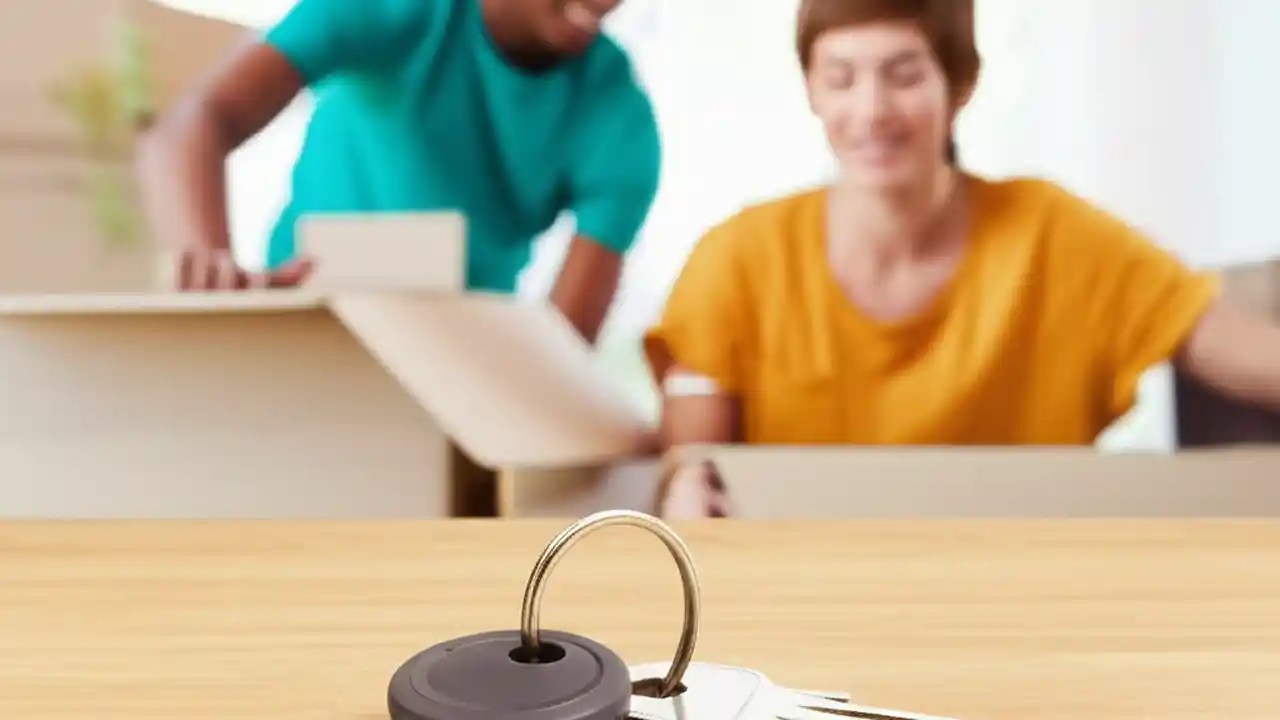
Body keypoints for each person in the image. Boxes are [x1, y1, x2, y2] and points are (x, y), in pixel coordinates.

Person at [644, 0, 1280, 518]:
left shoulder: (1055, 235)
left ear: (961, 84)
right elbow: (693, 464)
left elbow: (1233, 346)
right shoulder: (735, 259)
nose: (871, 111)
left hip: (1022, 592)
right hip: (802, 601)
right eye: (840, 78)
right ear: (810, 88)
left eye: (904, 75)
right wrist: (686, 491)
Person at [137, 0, 660, 344]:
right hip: (297, 335)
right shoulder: (393, 9)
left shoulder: (619, 115)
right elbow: (198, 120)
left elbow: (563, 345)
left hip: (462, 370)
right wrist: (208, 261)